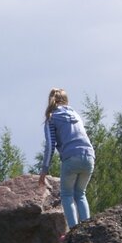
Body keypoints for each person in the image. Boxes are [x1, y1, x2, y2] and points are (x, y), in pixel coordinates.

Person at [37, 87, 95, 230]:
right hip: (89, 156)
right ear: (65, 100)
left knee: (67, 195)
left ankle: (74, 232)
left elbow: (50, 146)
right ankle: (87, 229)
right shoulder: (76, 114)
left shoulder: (52, 117)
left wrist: (44, 171)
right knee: (80, 194)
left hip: (71, 157)